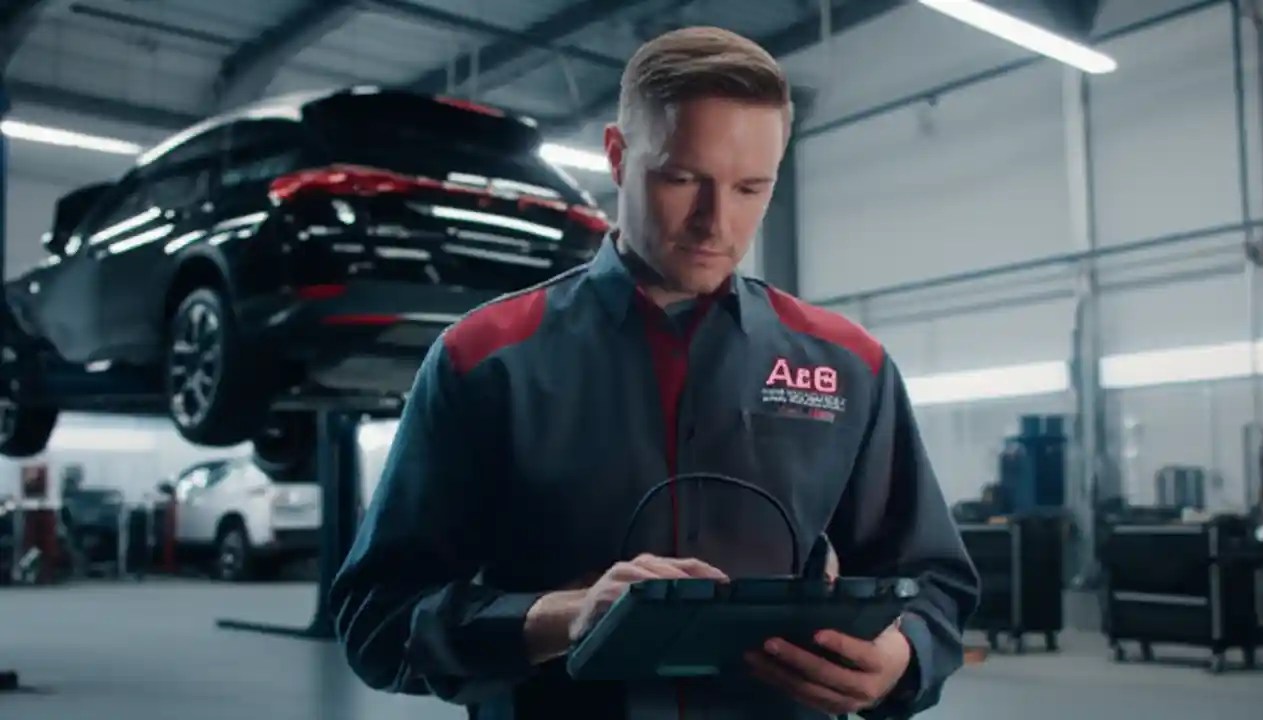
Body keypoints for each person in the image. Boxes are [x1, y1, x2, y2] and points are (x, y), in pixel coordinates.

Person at [330, 25, 978, 720]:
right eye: (681, 179)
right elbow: (378, 619)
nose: (715, 223)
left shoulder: (849, 367)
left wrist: (902, 657)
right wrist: (562, 617)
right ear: (616, 155)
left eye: (750, 188)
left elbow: (932, 580)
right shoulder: (486, 359)